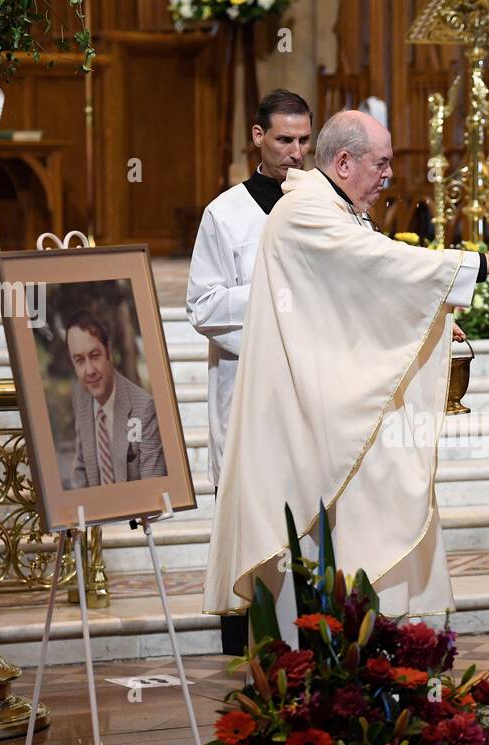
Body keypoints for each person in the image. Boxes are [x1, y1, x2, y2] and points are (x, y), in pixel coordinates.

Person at [203, 109, 489, 634]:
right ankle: (309, 692)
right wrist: (482, 263)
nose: (389, 176)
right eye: (381, 164)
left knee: (330, 562)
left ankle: (347, 674)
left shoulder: (331, 206)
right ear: (343, 161)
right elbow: (381, 263)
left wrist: (427, 323)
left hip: (317, 410)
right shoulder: (306, 212)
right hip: (298, 421)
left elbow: (353, 296)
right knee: (307, 565)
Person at [187, 88, 312, 653]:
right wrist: (276, 296)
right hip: (246, 390)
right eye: (284, 139)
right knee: (249, 517)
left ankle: (308, 644)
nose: (295, 152)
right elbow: (204, 306)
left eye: (305, 140)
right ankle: (247, 646)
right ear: (258, 137)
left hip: (309, 389)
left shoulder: (324, 207)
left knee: (306, 518)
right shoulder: (226, 212)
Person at [65, 310, 166, 488]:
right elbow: (82, 464)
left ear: (109, 352)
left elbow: (153, 487)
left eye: (95, 356)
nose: (89, 370)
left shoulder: (144, 408)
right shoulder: (81, 397)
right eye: (79, 360)